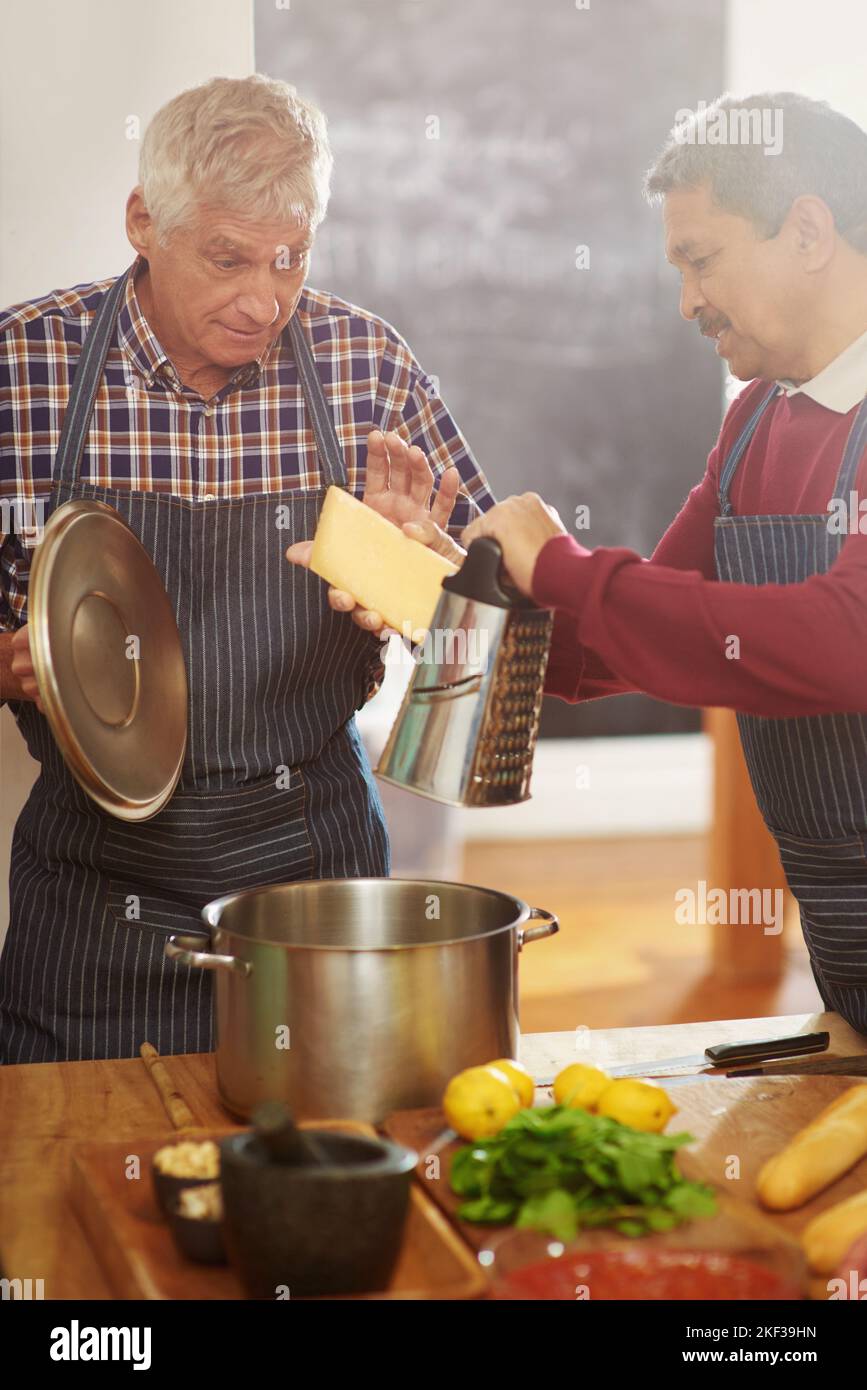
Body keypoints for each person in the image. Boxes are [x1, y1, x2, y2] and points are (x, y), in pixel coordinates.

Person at [329, 93, 867, 1036]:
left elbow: (841, 643)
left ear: (809, 231)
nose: (686, 301)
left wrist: (566, 566)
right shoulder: (754, 424)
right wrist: (450, 579)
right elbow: (616, 651)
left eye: (700, 260)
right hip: (843, 920)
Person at [0, 74, 495, 1063]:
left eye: (291, 258)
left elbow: (484, 690)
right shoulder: (24, 366)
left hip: (312, 881)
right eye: (228, 257)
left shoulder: (369, 367)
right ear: (144, 221)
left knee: (323, 1183)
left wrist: (431, 591)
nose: (265, 299)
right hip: (94, 898)